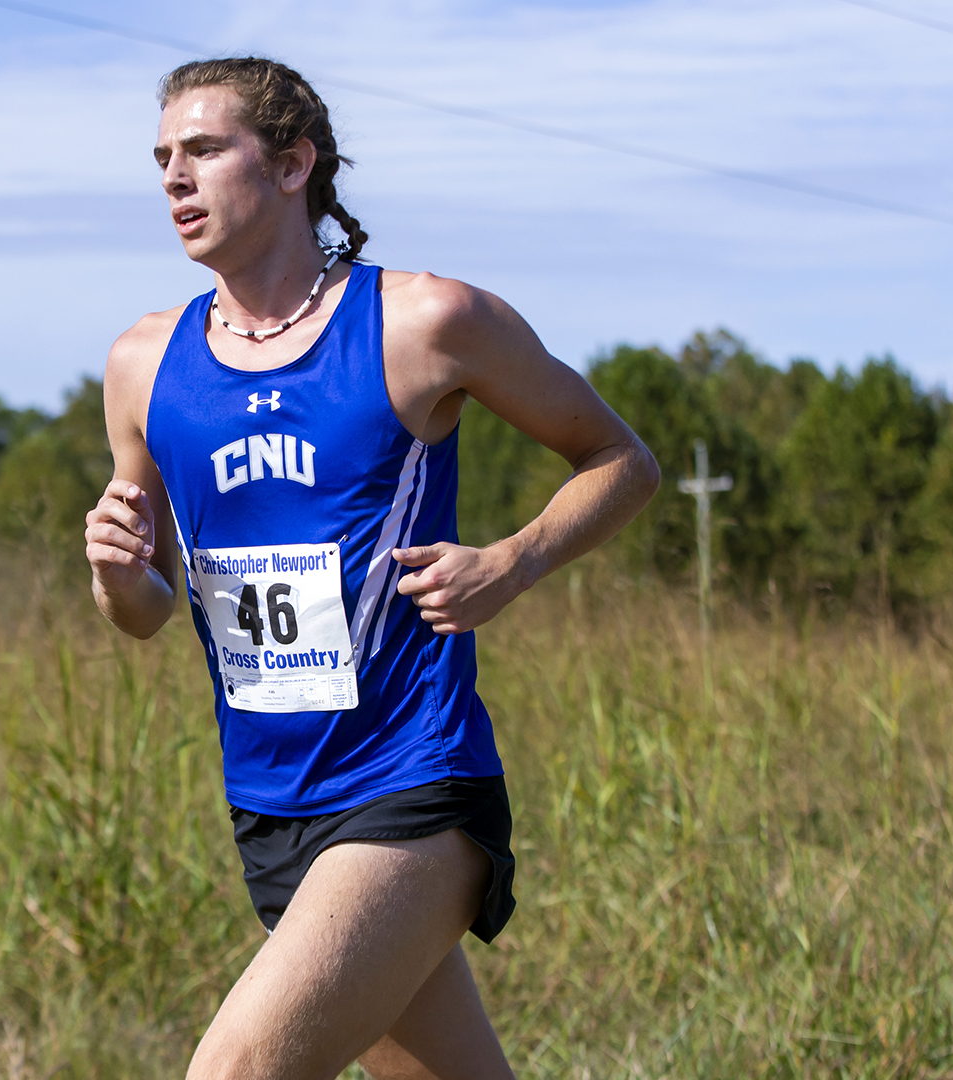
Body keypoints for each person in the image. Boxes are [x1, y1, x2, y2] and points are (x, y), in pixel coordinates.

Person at [84, 57, 660, 1080]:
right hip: (270, 800)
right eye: (163, 159)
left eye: (206, 151)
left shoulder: (423, 321)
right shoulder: (143, 362)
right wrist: (121, 580)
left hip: (411, 783)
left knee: (233, 1072)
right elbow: (147, 607)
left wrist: (511, 563)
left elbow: (622, 461)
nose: (175, 179)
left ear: (296, 162)